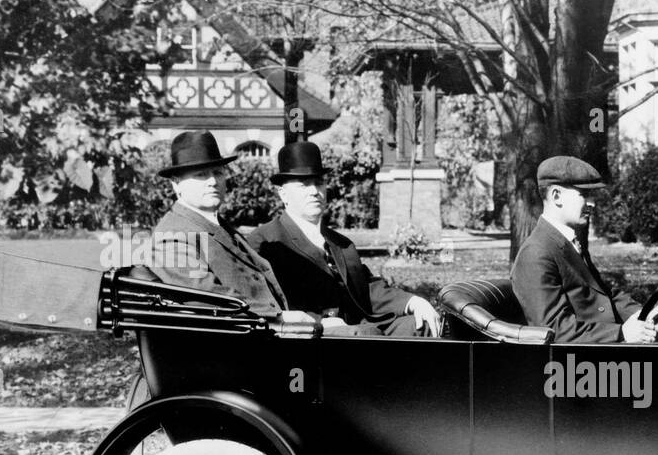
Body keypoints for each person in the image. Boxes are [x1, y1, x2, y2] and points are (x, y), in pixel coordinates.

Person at [247, 141, 440, 337]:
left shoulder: (341, 243)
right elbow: (264, 304)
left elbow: (366, 288)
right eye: (304, 184)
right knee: (368, 334)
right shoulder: (265, 241)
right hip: (310, 336)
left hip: (360, 326)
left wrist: (413, 302)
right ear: (283, 194)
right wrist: (319, 322)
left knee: (421, 325)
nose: (314, 191)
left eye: (319, 182)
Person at [511, 155, 658, 345]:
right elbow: (555, 331)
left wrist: (651, 317)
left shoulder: (565, 242)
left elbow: (606, 297)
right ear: (556, 196)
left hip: (603, 347)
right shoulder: (536, 253)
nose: (592, 204)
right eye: (584, 195)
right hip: (583, 363)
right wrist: (622, 334)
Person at [142, 131, 292, 318]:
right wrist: (279, 317)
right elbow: (206, 295)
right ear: (176, 184)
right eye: (201, 175)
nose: (212, 181)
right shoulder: (171, 236)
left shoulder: (215, 223)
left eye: (218, 173)